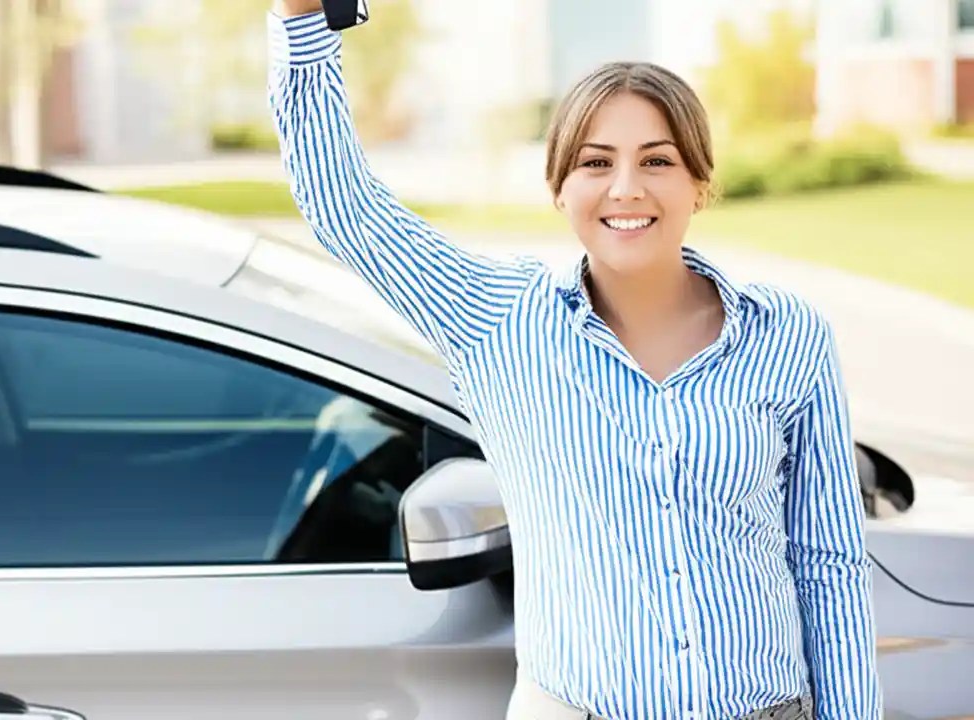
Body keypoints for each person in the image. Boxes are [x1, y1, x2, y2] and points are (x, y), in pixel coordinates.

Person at [266, 2, 882, 719]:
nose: (626, 188)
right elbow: (344, 207)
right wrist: (304, 17)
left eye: (658, 160)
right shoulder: (500, 320)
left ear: (699, 184)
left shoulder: (787, 336)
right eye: (596, 162)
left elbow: (828, 565)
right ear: (559, 187)